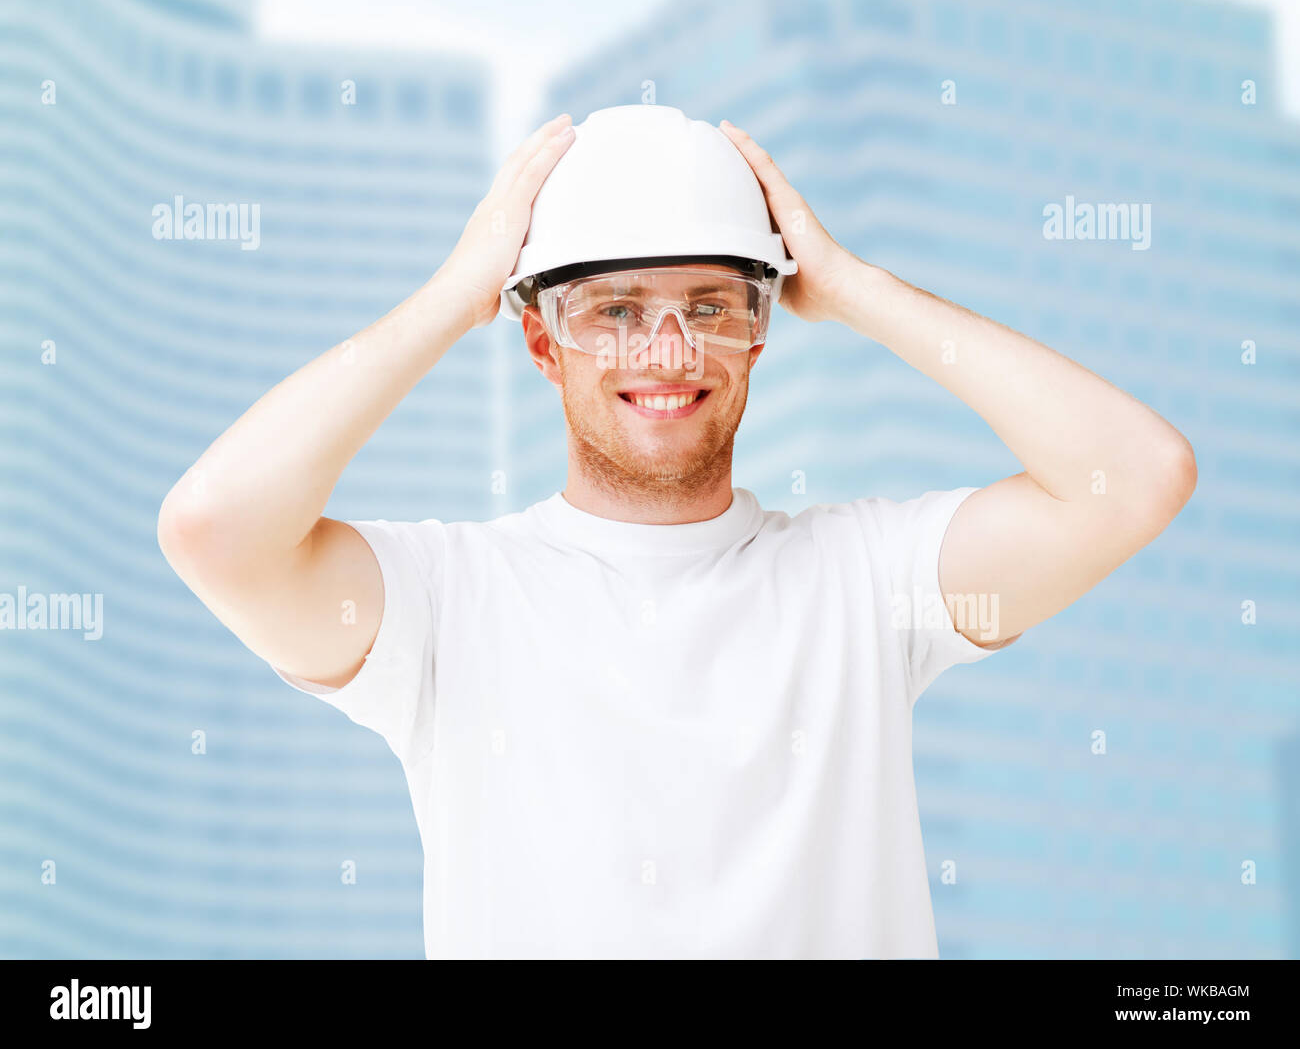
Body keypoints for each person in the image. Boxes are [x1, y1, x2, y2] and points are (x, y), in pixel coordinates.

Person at [157, 104, 1196, 959]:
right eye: (613, 309)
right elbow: (214, 530)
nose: (666, 348)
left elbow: (1135, 479)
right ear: (539, 339)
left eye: (710, 305)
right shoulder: (449, 601)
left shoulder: (868, 582)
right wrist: (447, 298)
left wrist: (855, 289)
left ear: (760, 332)